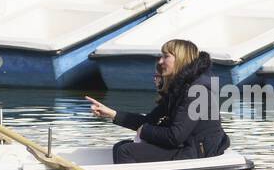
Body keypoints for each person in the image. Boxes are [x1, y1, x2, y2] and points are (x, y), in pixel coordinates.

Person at [85, 39, 230, 163]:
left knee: (126, 151)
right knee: (120, 146)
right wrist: (112, 113)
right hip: (186, 145)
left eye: (165, 56)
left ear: (180, 59)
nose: (160, 61)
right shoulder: (180, 88)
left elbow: (175, 136)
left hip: (199, 151)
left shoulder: (198, 91)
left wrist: (145, 130)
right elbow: (150, 120)